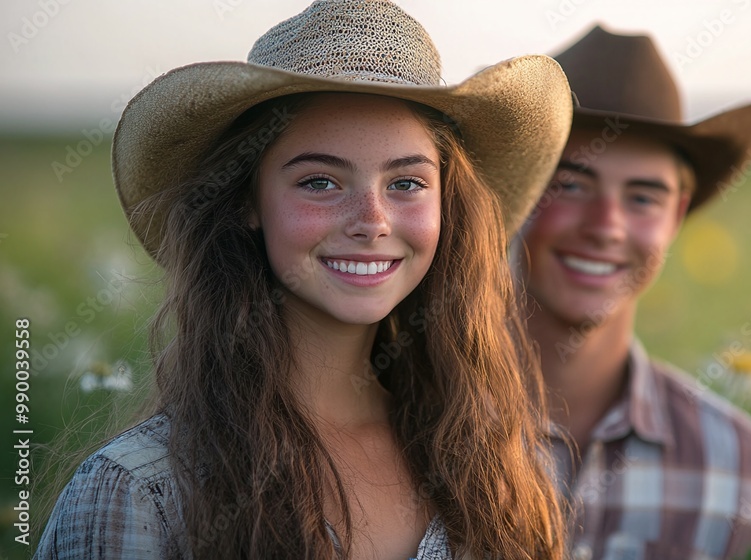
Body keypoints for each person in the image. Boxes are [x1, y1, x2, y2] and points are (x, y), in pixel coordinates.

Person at [34, 1, 573, 558]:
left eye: (407, 183)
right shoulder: (141, 492)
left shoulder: (499, 471)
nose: (372, 221)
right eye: (319, 181)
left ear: (447, 202)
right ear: (248, 201)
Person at [512, 26, 751, 560]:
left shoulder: (742, 470)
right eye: (571, 185)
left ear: (677, 215)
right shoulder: (398, 428)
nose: (607, 226)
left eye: (643, 197)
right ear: (508, 189)